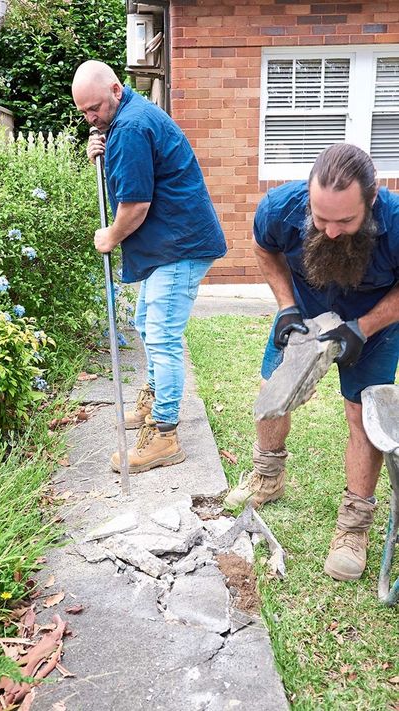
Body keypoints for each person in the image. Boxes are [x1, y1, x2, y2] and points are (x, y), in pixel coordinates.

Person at [225, 143, 399, 582]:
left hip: (375, 322)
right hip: (305, 310)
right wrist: (286, 307)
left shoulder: (396, 223)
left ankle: (353, 526)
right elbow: (265, 250)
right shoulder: (280, 209)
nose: (332, 231)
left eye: (345, 221)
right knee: (274, 387)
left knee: (362, 416)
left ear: (372, 199)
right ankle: (267, 475)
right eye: (321, 220)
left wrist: (364, 327)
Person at [72, 60, 227, 474]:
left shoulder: (131, 128)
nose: (91, 118)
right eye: (84, 112)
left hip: (180, 246)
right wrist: (101, 159)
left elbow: (136, 206)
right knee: (146, 322)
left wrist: (111, 236)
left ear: (116, 90)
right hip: (174, 243)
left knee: (161, 335)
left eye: (96, 108)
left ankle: (164, 435)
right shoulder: (126, 122)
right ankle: (155, 400)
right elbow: (133, 178)